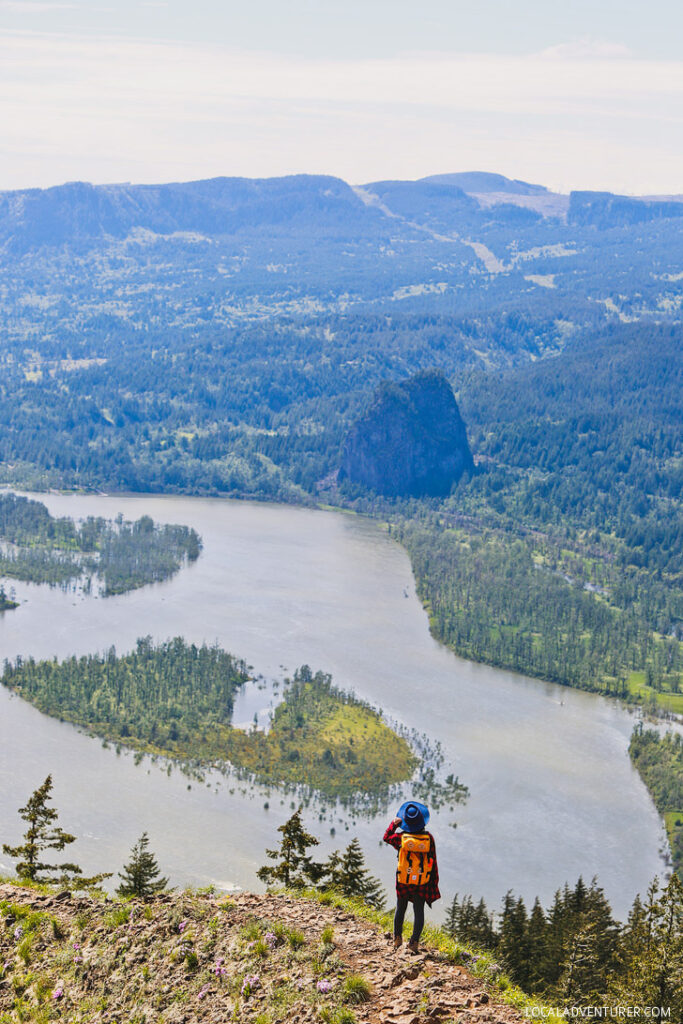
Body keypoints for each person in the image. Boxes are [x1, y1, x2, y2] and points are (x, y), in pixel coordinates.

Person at [383, 800, 440, 953]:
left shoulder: (401, 838)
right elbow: (433, 861)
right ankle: (414, 943)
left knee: (400, 908)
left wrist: (393, 824)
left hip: (403, 879)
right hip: (421, 880)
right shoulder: (429, 839)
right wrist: (433, 882)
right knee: (418, 910)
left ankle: (397, 939)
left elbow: (386, 837)